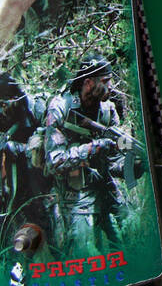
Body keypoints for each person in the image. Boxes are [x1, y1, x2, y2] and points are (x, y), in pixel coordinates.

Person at [44, 53, 128, 253]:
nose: (111, 86)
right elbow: (54, 161)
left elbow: (114, 162)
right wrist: (92, 147)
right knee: (83, 254)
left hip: (105, 187)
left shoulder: (108, 111)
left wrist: (130, 166)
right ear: (89, 83)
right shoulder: (60, 108)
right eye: (106, 81)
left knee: (128, 243)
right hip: (75, 193)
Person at [0, 72, 61, 254]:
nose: (1, 109)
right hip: (19, 178)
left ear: (16, 98)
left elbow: (50, 143)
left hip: (42, 176)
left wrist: (18, 148)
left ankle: (59, 258)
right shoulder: (3, 117)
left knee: (46, 218)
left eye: (4, 104)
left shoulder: (37, 107)